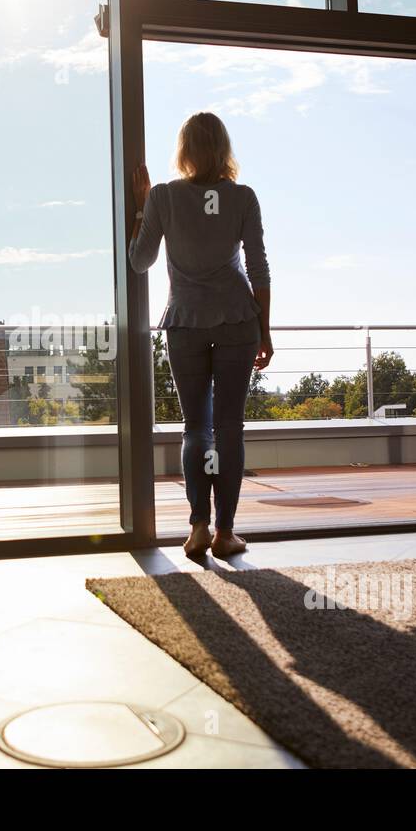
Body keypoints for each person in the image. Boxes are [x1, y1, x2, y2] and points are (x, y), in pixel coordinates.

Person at [129, 111, 272, 558]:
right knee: (229, 428)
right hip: (237, 320)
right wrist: (265, 331)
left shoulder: (165, 198)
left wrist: (143, 206)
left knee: (196, 428)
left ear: (184, 149)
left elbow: (139, 261)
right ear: (224, 148)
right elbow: (258, 268)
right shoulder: (243, 197)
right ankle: (226, 532)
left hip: (185, 322)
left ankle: (197, 528)